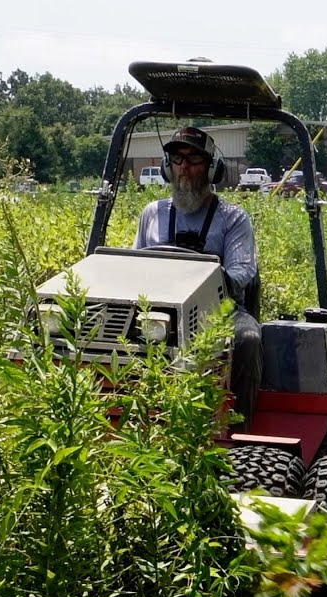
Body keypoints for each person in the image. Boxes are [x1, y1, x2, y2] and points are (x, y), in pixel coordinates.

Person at [134, 126, 261, 423]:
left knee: (248, 338)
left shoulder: (232, 217)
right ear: (168, 167)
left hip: (218, 312)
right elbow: (135, 262)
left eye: (194, 160)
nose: (185, 169)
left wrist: (203, 285)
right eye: (178, 160)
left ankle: (238, 427)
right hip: (157, 310)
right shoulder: (152, 213)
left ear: (212, 169)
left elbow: (242, 270)